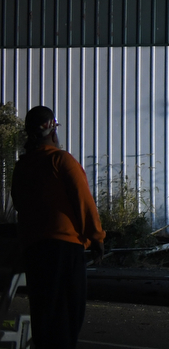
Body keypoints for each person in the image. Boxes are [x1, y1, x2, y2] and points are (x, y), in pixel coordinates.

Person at [9, 106, 105, 349]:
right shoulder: (61, 160)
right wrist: (96, 238)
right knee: (67, 319)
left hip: (34, 252)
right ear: (52, 130)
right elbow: (84, 202)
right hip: (65, 251)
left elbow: (20, 205)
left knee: (45, 317)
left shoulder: (22, 167)